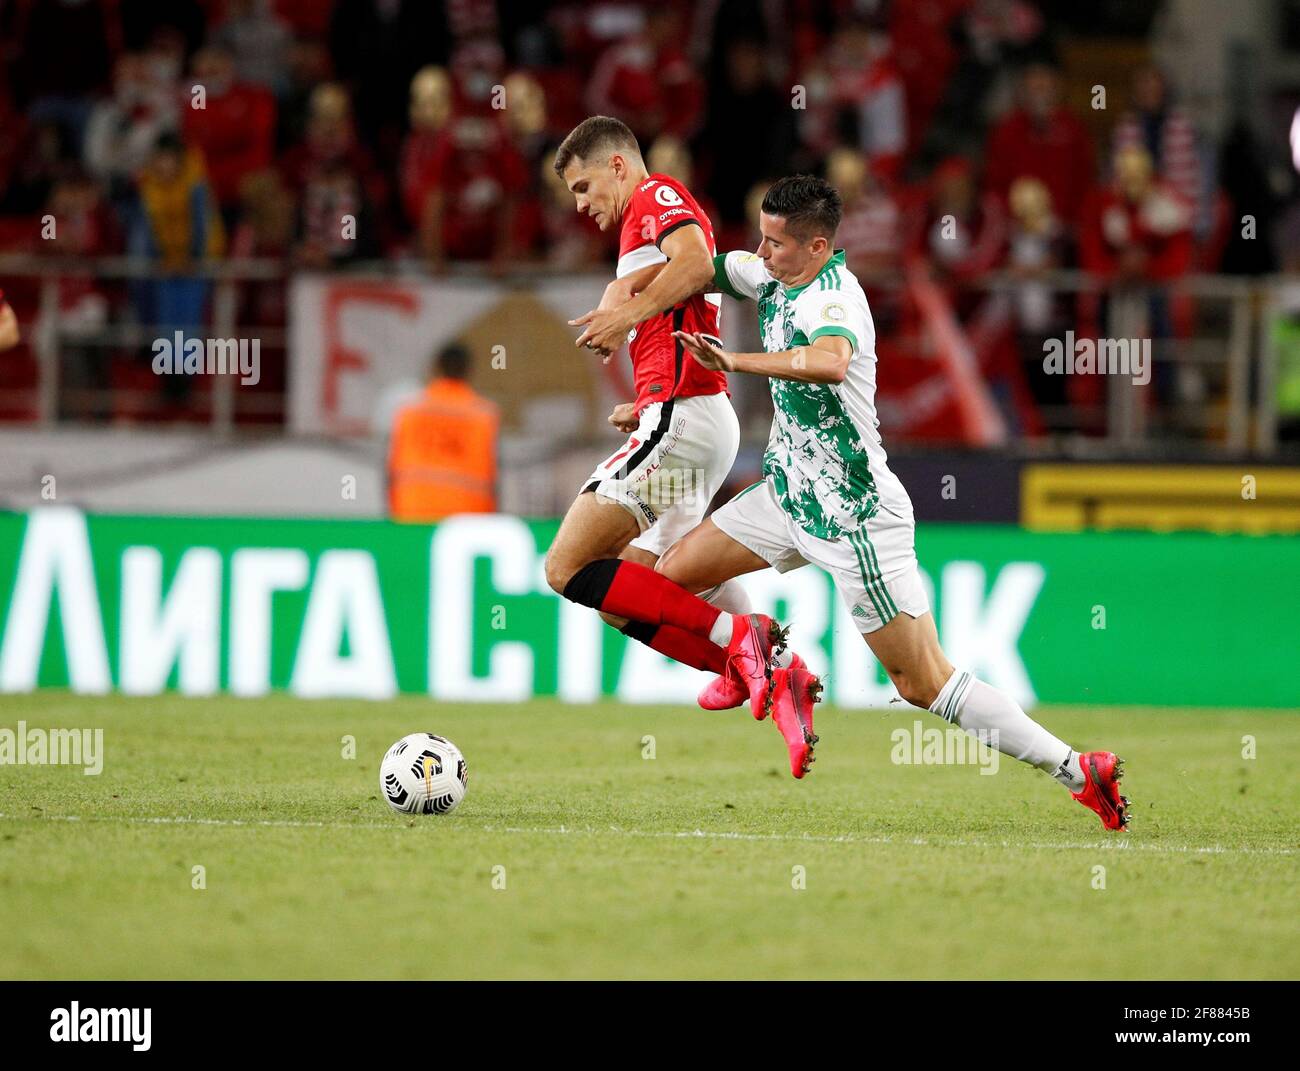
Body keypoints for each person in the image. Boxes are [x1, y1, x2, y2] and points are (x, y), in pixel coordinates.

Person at [600, 175, 1132, 831]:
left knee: (923, 681)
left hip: (853, 512)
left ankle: (1079, 770)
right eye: (761, 239)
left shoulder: (835, 298)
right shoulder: (772, 273)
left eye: (775, 244)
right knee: (670, 576)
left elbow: (828, 362)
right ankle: (773, 667)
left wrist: (734, 361)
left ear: (818, 247)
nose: (761, 253)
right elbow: (699, 267)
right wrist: (627, 305)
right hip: (789, 492)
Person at [542, 116, 791, 740]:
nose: (580, 205)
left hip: (686, 417)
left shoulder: (655, 194)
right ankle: (773, 672)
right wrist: (645, 396)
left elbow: (698, 263)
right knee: (628, 591)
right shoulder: (639, 230)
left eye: (583, 187)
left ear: (618, 166)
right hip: (686, 413)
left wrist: (626, 313)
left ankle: (740, 638)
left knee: (567, 567)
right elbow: (683, 309)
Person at [387, 343, 498, 522]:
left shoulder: (410, 411)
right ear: (468, 370)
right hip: (466, 515)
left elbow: (392, 468)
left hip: (412, 510)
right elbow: (493, 475)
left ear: (436, 368)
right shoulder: (483, 415)